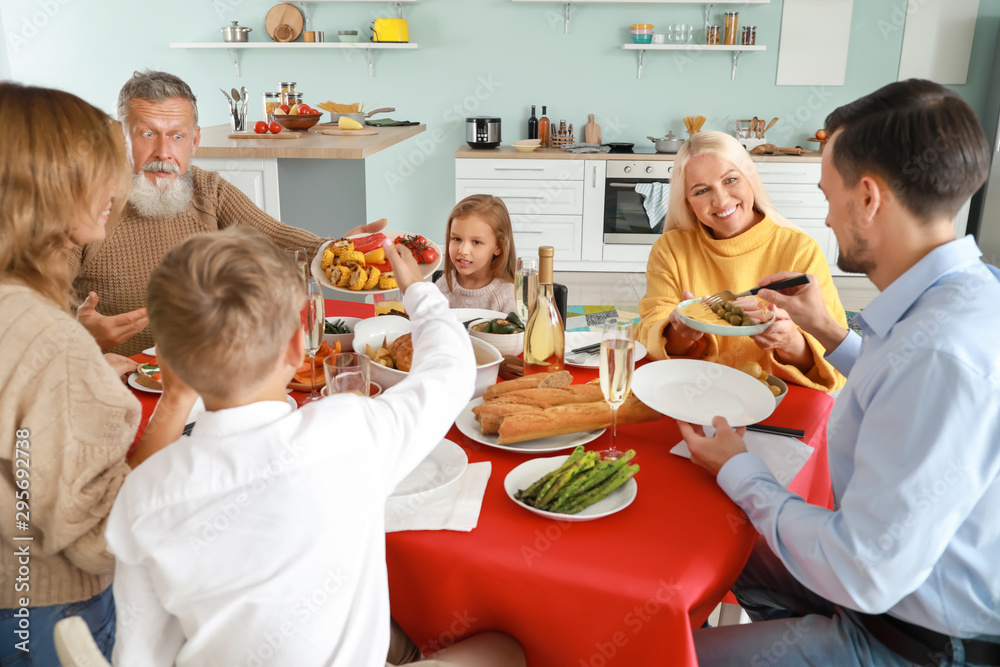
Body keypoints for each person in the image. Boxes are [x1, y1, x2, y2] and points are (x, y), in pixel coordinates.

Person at [105, 226, 525, 666]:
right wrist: (417, 289)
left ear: (170, 364)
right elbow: (451, 371)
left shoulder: (142, 491)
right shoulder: (346, 431)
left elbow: (138, 655)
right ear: (295, 346)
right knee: (504, 650)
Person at [685, 80, 1000, 666]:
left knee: (648, 654)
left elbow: (862, 571)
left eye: (829, 196)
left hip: (906, 637)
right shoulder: (962, 297)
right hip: (891, 590)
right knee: (705, 533)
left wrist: (739, 468)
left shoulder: (942, 357)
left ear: (869, 198)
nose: (827, 218)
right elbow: (901, 381)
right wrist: (829, 332)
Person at [0, 83, 188, 664]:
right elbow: (101, 535)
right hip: (43, 609)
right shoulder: (52, 340)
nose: (116, 189)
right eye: (101, 173)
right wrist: (180, 395)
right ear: (51, 189)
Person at [70, 69, 387, 357]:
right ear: (121, 138)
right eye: (147, 134)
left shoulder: (208, 190)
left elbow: (276, 241)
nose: (163, 152)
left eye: (177, 136)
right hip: (123, 384)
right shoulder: (84, 204)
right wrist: (80, 333)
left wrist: (334, 253)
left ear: (194, 141)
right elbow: (32, 306)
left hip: (211, 378)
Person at [637, 131, 846, 392]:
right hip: (691, 393)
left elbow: (837, 366)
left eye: (731, 180)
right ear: (688, 203)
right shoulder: (670, 249)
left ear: (750, 179)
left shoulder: (800, 250)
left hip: (775, 399)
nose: (721, 200)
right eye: (702, 190)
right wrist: (680, 332)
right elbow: (648, 331)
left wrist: (789, 341)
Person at [435, 194, 517, 313]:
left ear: (498, 247)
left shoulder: (506, 295)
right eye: (457, 239)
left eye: (476, 242)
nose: (463, 251)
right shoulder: (443, 285)